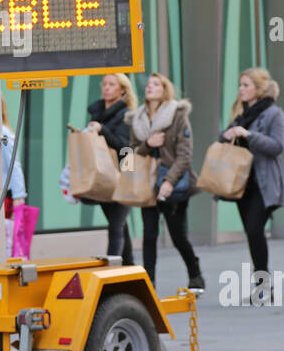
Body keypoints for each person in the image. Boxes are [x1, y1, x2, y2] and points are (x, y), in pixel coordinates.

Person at [129, 72, 204, 291]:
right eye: (148, 84)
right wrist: (147, 144)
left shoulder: (177, 115)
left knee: (177, 235)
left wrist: (169, 181)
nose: (150, 87)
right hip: (147, 184)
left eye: (156, 84)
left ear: (165, 89)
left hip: (173, 184)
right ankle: (148, 284)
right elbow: (128, 153)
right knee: (149, 235)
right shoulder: (137, 118)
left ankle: (195, 273)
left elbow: (185, 155)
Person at [220, 69, 284, 305]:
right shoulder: (240, 113)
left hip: (264, 183)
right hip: (242, 184)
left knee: (254, 229)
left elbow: (277, 146)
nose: (241, 89)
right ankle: (262, 284)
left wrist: (249, 135)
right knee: (252, 234)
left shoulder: (274, 114)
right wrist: (227, 133)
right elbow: (223, 139)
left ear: (258, 88)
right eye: (240, 85)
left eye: (246, 85)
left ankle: (264, 285)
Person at [84, 73, 136, 264]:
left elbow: (126, 147)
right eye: (104, 84)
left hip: (123, 176)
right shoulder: (97, 113)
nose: (106, 87)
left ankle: (111, 271)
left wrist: (102, 130)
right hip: (104, 176)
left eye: (112, 84)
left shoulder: (127, 115)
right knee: (119, 226)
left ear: (122, 89)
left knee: (116, 226)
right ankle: (131, 268)